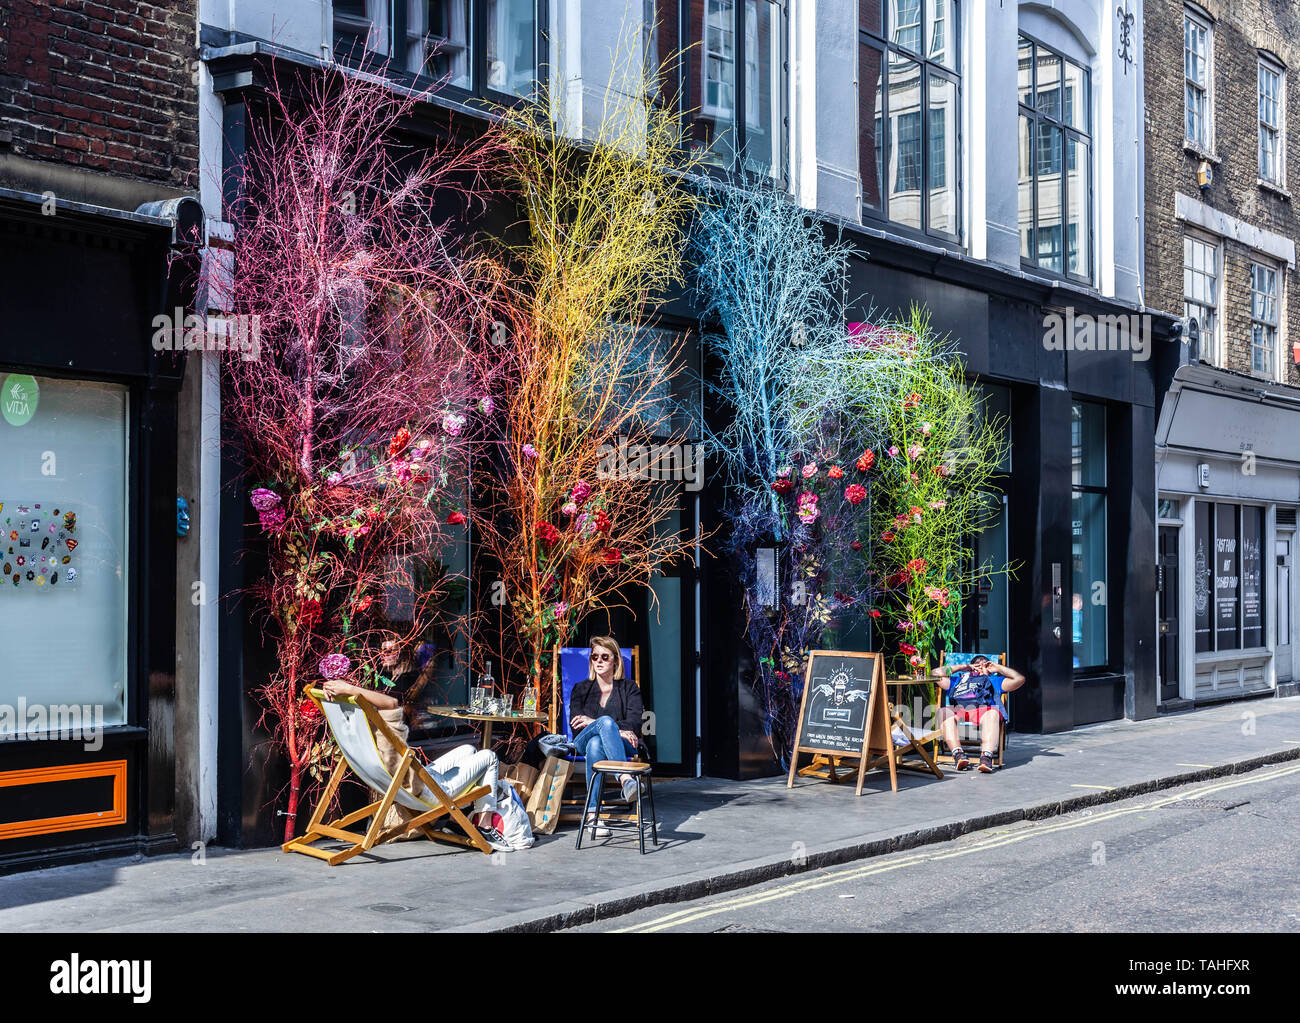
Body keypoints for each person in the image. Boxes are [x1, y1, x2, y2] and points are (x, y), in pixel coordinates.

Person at [322, 634, 501, 841]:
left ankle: (455, 820)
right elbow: (391, 703)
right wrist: (350, 689)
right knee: (488, 756)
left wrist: (344, 691)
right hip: (422, 791)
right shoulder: (386, 724)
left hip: (411, 779)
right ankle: (485, 827)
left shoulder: (362, 735)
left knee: (469, 750)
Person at [568, 635, 644, 810]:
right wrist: (614, 729)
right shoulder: (580, 689)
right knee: (603, 726)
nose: (599, 661)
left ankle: (592, 813)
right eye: (595, 656)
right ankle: (625, 779)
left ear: (615, 660)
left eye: (605, 657)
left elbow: (634, 724)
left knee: (596, 743)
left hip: (625, 743)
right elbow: (577, 725)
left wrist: (597, 724)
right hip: (582, 740)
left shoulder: (630, 688)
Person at [931, 655, 1026, 773]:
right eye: (976, 664)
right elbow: (935, 673)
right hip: (961, 710)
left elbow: (1019, 679)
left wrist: (997, 668)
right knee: (944, 712)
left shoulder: (994, 681)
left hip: (984, 711)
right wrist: (964, 667)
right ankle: (958, 755)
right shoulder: (958, 680)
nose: (980, 665)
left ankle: (986, 758)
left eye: (984, 664)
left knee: (993, 713)